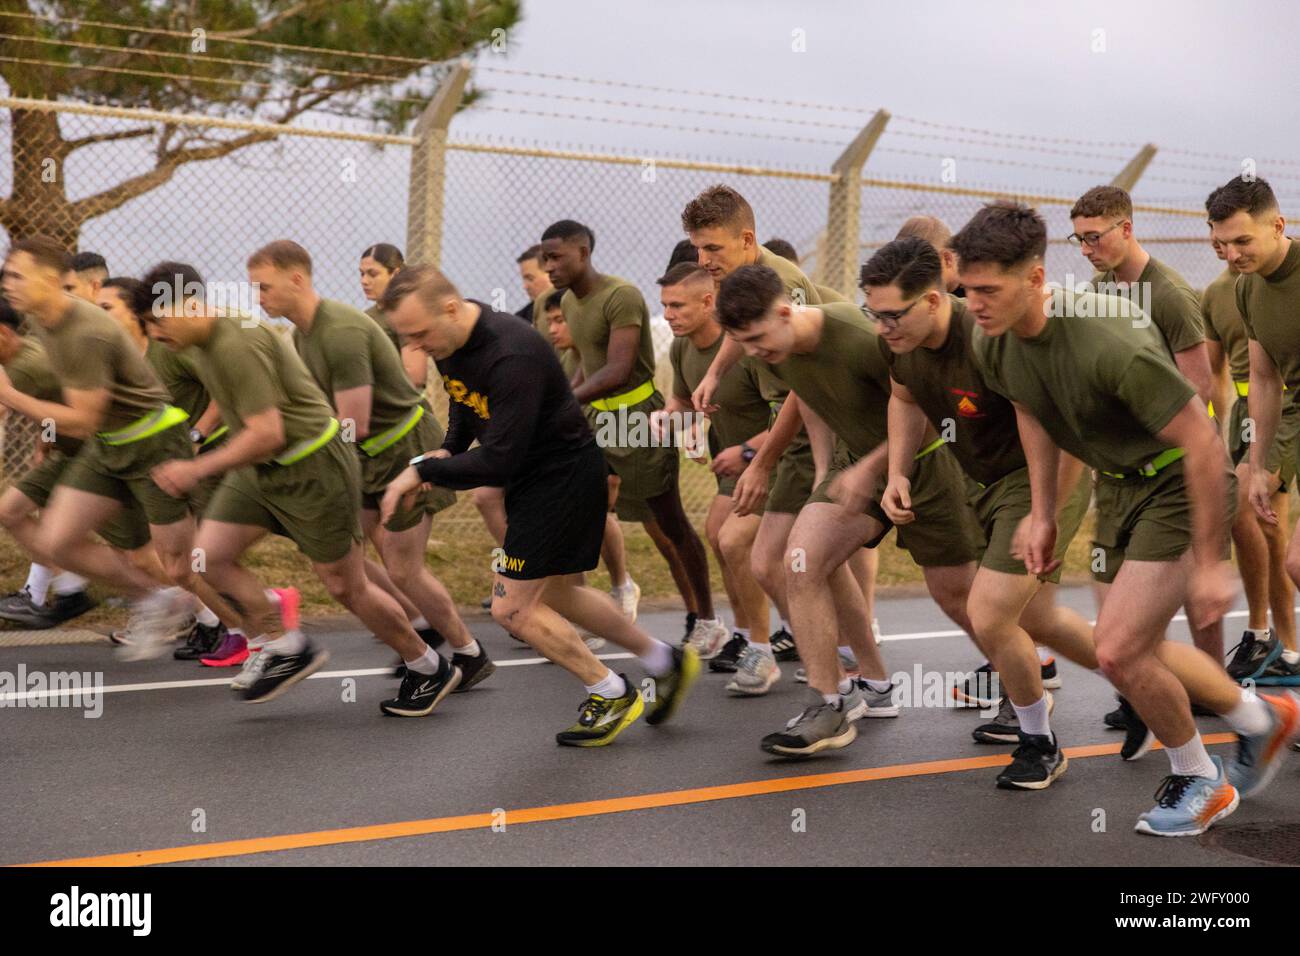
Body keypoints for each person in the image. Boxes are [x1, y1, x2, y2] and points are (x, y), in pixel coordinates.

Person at [957, 200, 1297, 835]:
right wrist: (1043, 513)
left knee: (1117, 647)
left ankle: (1200, 780)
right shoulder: (993, 339)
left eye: (987, 289)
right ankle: (1261, 718)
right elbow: (1033, 409)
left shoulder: (1106, 340)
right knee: (1127, 642)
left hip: (1177, 480)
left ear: (1034, 279)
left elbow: (1201, 442)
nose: (973, 304)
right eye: (967, 289)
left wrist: (1205, 563)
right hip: (1115, 484)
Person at [378, 265, 700, 746]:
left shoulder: (513, 353)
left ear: (450, 308)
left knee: (512, 610)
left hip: (561, 481)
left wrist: (424, 469)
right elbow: (464, 401)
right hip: (537, 478)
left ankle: (610, 691)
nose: (418, 346)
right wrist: (447, 448)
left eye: (419, 334)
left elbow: (500, 459)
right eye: (407, 338)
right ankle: (663, 660)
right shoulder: (451, 342)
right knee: (555, 596)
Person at [143, 258, 459, 713]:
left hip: (313, 467)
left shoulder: (238, 343)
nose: (155, 334)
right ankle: (287, 644)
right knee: (206, 557)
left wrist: (196, 467)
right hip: (262, 469)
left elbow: (268, 431)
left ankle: (428, 665)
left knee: (346, 587)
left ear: (190, 306)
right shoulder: (192, 346)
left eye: (159, 321)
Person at [716, 263, 986, 757]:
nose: (753, 353)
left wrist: (876, 468)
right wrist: (825, 473)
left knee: (960, 597)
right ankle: (829, 704)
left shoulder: (860, 337)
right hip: (855, 468)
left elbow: (925, 409)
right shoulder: (781, 347)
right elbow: (811, 397)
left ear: (784, 311)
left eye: (756, 339)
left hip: (927, 466)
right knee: (801, 561)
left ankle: (1022, 686)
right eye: (744, 343)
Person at [865, 237, 1096, 787]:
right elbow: (904, 399)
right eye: (874, 316)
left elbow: (1049, 427)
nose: (883, 328)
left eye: (893, 315)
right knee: (1037, 621)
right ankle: (1142, 679)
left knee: (991, 613)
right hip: (986, 482)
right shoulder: (898, 343)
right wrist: (898, 472)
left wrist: (1044, 512)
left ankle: (1038, 740)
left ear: (933, 300)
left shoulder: (988, 339)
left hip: (1041, 476)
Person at [0, 237, 232, 658]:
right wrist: (46, 437)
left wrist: (11, 398)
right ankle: (155, 600)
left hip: (153, 444)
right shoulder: (41, 323)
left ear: (50, 279)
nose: (7, 282)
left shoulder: (86, 332)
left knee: (175, 563)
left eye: (17, 274)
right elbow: (66, 401)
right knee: (57, 540)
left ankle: (259, 622)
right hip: (103, 447)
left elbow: (83, 416)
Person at [540, 219, 727, 652]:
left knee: (668, 524)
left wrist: (565, 403)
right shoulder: (569, 301)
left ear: (583, 253)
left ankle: (706, 618)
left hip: (638, 420)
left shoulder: (620, 296)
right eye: (544, 258)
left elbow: (619, 369)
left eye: (556, 256)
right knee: (577, 512)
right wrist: (569, 401)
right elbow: (590, 361)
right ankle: (601, 602)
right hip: (595, 422)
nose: (549, 266)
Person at [656, 262, 782, 694]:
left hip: (777, 461)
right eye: (664, 306)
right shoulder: (681, 348)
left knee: (734, 540)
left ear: (709, 301)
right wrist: (667, 420)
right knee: (718, 533)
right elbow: (680, 400)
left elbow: (791, 416)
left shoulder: (748, 350)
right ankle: (750, 636)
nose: (669, 315)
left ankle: (764, 651)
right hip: (736, 465)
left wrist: (749, 451)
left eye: (677, 305)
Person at [1208, 175, 1300, 690]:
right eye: (1223, 242)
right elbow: (1264, 380)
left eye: (1243, 240)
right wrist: (1259, 461)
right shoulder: (1244, 289)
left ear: (1278, 226)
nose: (1232, 253)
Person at [359, 243, 427, 389]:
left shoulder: (406, 313)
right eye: (362, 273)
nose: (364, 281)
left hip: (401, 407)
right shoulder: (366, 317)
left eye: (372, 274)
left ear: (394, 274)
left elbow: (415, 376)